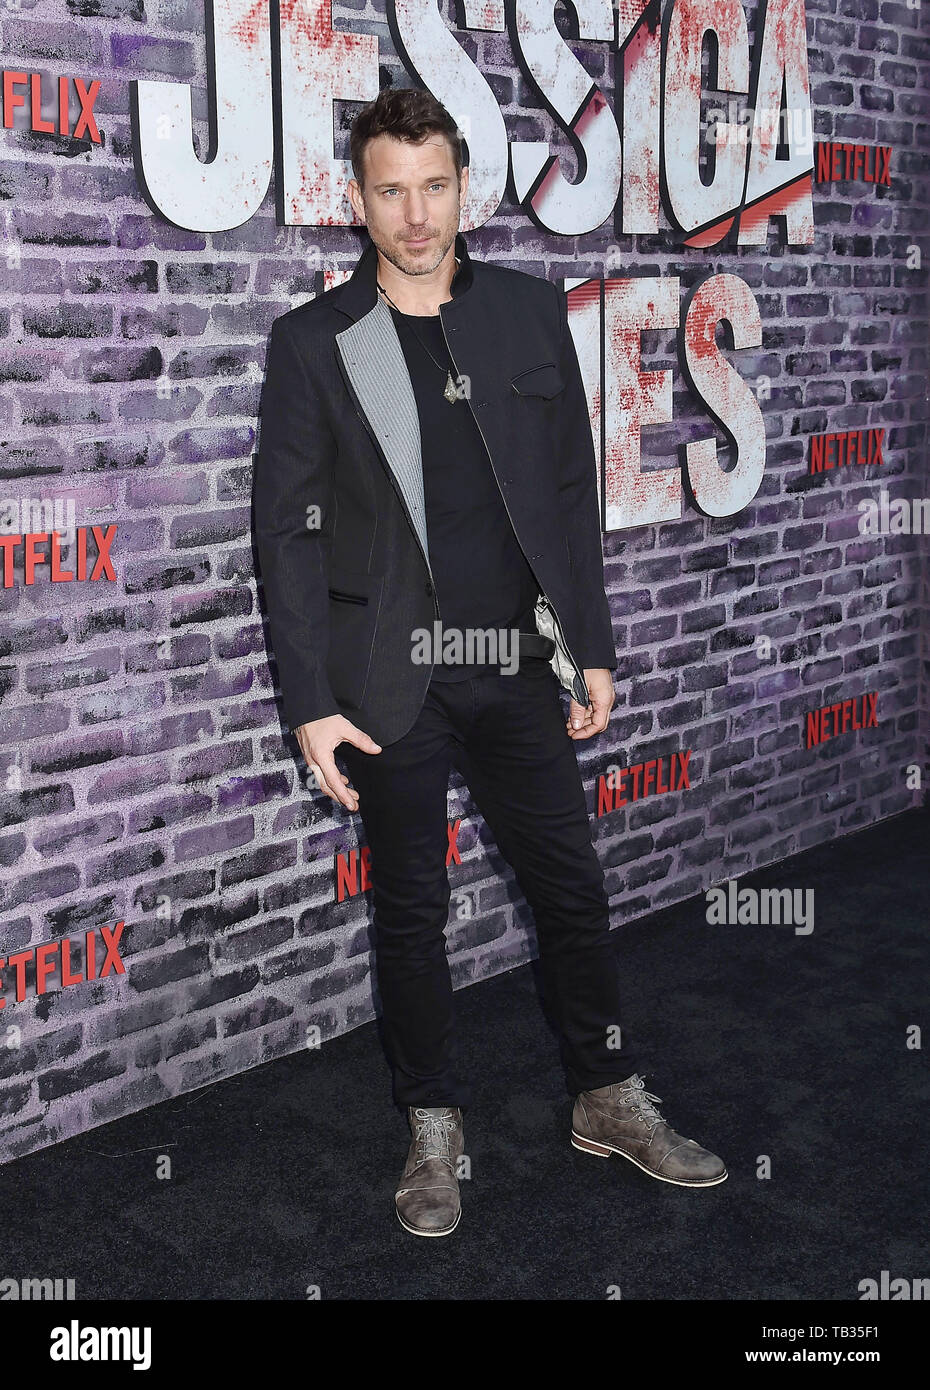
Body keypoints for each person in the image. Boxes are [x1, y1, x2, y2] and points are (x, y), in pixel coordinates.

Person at [253, 87, 726, 1238]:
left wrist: (592, 650)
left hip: (516, 662)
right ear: (356, 202)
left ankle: (606, 1092)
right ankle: (430, 1123)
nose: (415, 214)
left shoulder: (525, 314)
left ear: (463, 185)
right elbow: (284, 534)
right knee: (412, 911)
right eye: (389, 190)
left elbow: (570, 493)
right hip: (389, 677)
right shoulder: (314, 346)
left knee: (570, 886)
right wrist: (310, 704)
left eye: (434, 185)